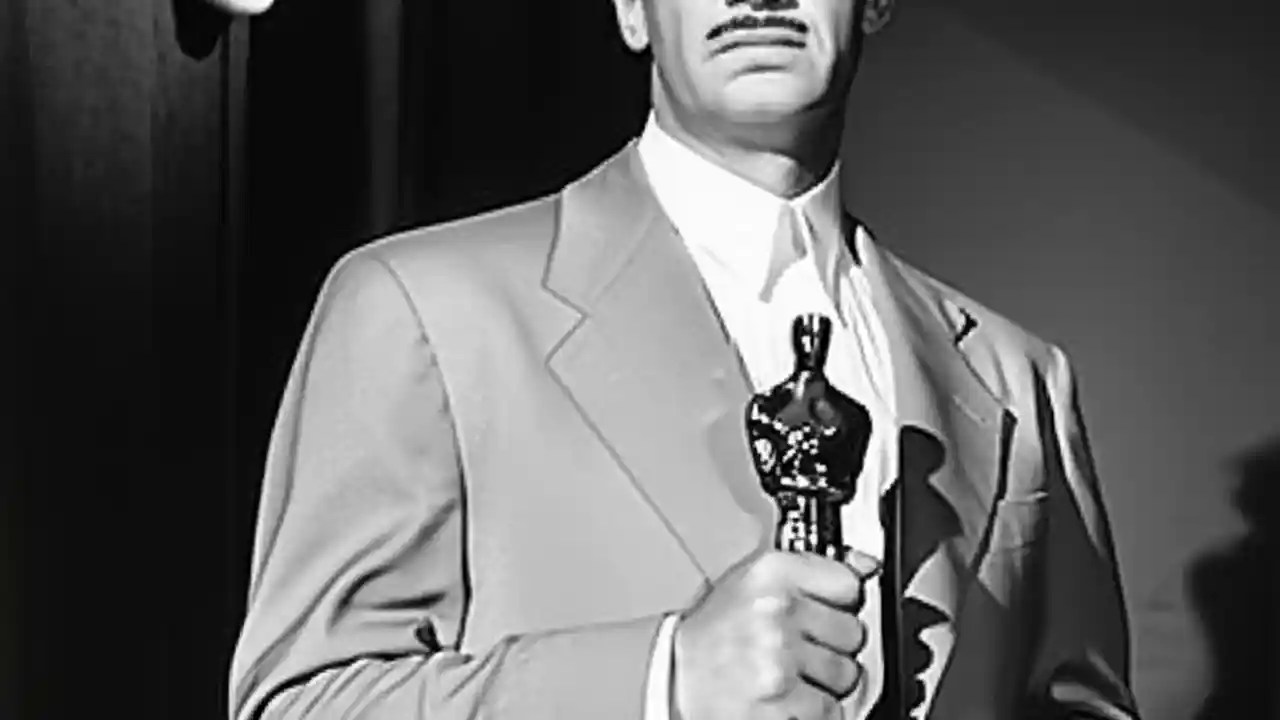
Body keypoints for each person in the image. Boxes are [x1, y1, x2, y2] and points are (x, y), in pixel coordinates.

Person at [228, 0, 1141, 718]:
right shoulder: (421, 306)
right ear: (631, 10)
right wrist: (660, 681)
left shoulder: (1020, 377)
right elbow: (302, 701)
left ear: (876, 0)